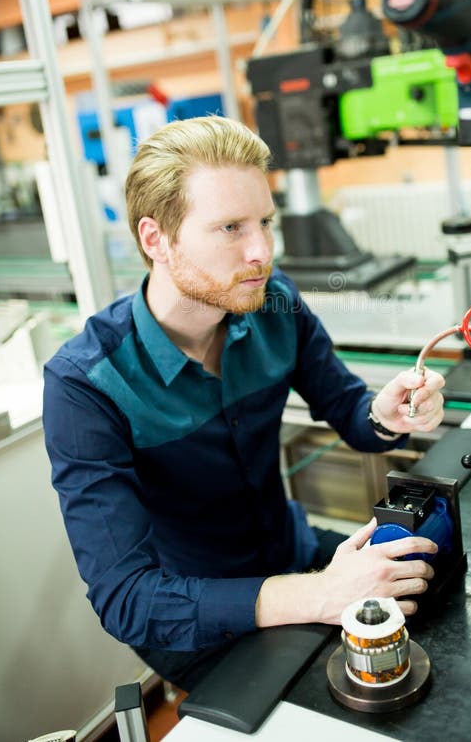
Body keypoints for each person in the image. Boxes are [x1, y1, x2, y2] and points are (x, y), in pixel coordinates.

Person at [43, 115, 445, 691]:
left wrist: (386, 414)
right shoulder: (85, 384)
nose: (262, 251)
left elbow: (351, 413)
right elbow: (127, 598)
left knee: (438, 610)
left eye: (265, 222)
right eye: (231, 227)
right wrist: (321, 594)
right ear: (156, 239)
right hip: (196, 621)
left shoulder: (275, 304)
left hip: (295, 555)